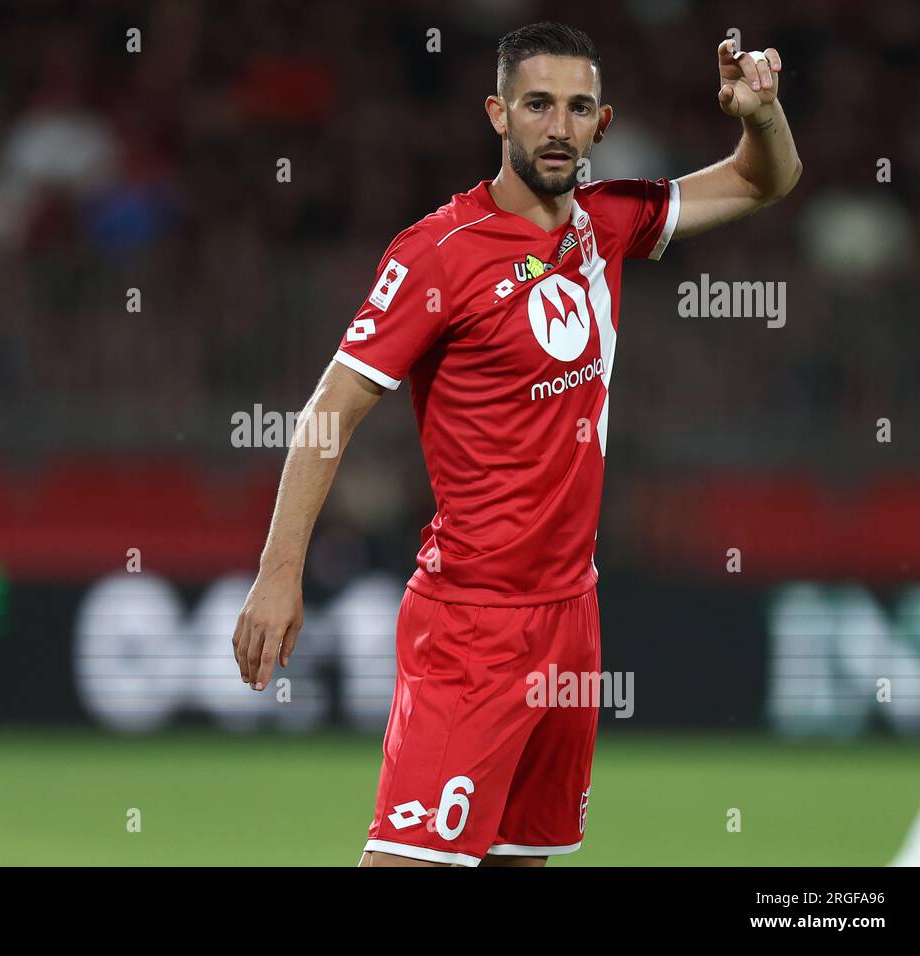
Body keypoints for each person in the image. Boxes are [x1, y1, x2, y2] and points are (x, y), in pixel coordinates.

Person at [231, 21, 801, 867]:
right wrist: (279, 574)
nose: (559, 127)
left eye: (578, 108)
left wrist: (760, 113)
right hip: (470, 628)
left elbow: (767, 180)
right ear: (499, 114)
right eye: (538, 105)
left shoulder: (609, 223)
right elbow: (329, 408)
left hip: (572, 619)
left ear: (602, 123)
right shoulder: (440, 254)